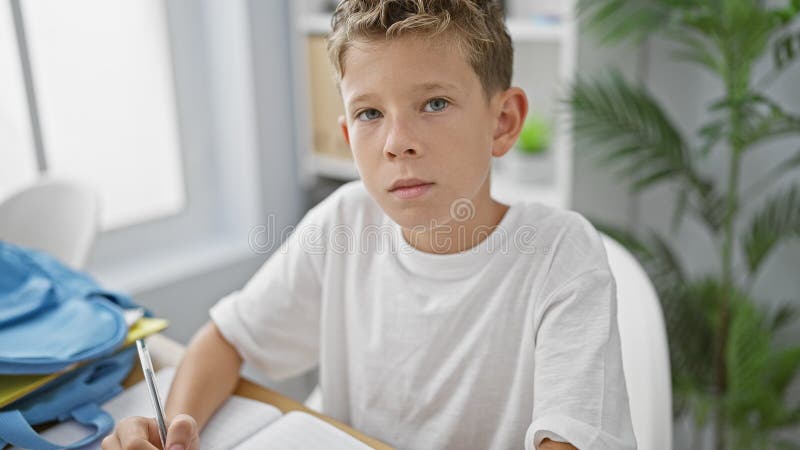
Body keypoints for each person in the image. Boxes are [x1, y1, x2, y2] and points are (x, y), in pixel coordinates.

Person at [102, 1, 636, 449]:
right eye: (369, 113)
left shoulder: (560, 255)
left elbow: (570, 436)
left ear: (503, 121)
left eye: (434, 103)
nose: (396, 141)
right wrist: (175, 425)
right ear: (347, 133)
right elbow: (226, 339)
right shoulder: (344, 222)